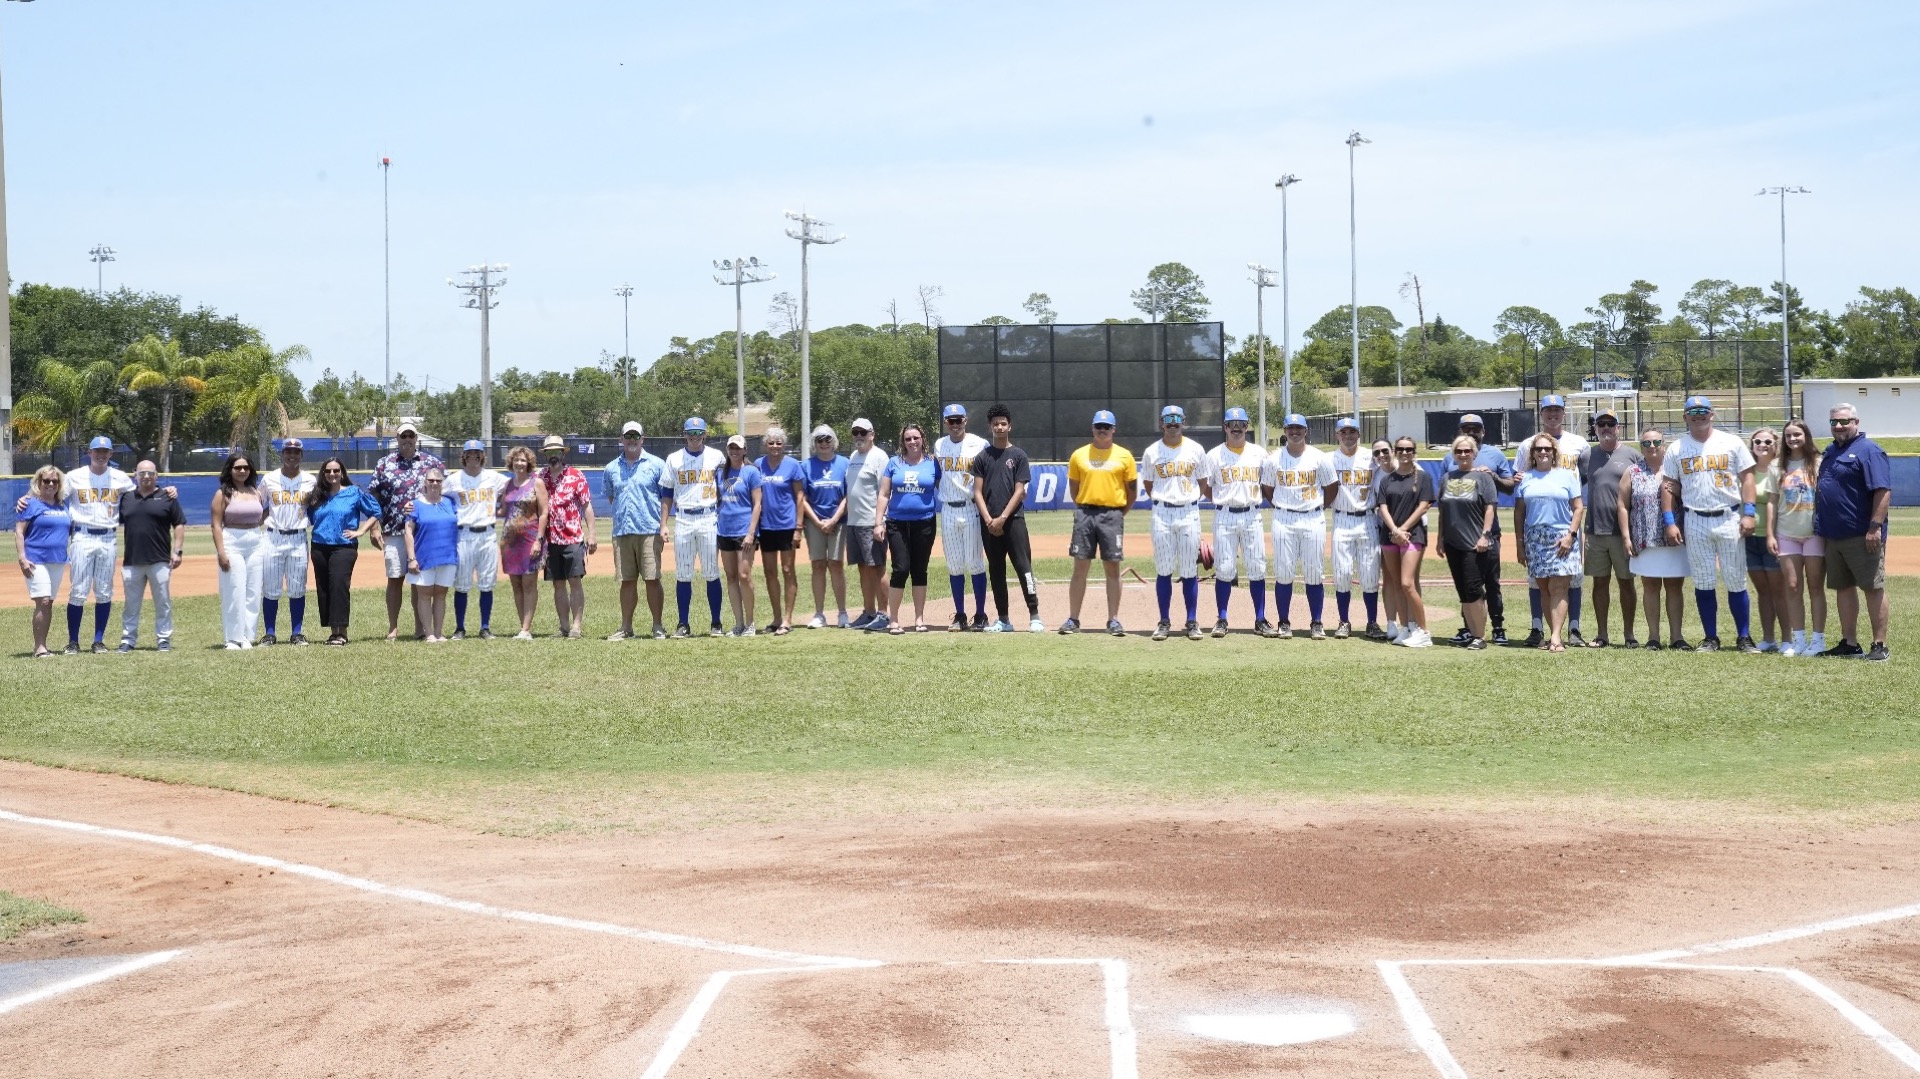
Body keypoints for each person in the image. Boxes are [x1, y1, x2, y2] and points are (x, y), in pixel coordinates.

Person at [1660, 396, 1759, 653]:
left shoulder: (1731, 442)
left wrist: (1749, 512)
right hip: (1694, 518)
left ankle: (1744, 637)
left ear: (1712, 414)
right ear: (1685, 417)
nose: (1698, 415)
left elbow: (1748, 478)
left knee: (1736, 579)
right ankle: (1711, 637)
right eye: (1692, 411)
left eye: (1703, 410)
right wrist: (1670, 521)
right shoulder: (1676, 448)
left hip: (1730, 516)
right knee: (1703, 581)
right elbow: (1669, 486)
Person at [1815, 403, 1891, 660]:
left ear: (1856, 422)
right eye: (1834, 422)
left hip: (1862, 534)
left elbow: (1882, 490)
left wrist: (1874, 527)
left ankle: (1879, 645)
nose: (1839, 426)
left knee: (1872, 587)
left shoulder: (1869, 450)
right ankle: (1849, 642)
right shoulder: (1831, 451)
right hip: (1833, 535)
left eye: (1844, 421)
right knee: (1843, 587)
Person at [1517, 395, 1590, 647]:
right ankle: (1544, 631)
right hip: (1535, 535)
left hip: (1564, 532)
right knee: (1543, 587)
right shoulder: (1526, 460)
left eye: (1557, 409)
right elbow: (1519, 505)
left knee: (1565, 583)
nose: (1552, 414)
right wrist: (1519, 542)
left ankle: (1569, 630)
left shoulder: (1577, 445)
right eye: (1548, 410)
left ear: (1563, 412)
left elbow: (1581, 495)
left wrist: (1572, 533)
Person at [1060, 410, 1137, 636]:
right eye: (1098, 426)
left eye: (1107, 426)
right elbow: (1075, 488)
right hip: (1085, 513)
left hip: (1112, 514)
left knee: (1112, 567)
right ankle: (1073, 619)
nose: (1102, 430)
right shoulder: (1079, 455)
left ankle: (1113, 620)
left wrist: (1118, 512)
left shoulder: (1124, 456)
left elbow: (1131, 492)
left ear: (1114, 429)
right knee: (1079, 567)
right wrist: (1086, 506)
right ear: (1092, 428)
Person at [1262, 412, 1337, 640]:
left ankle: (1316, 622)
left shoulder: (1319, 457)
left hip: (1312, 517)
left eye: (1298, 428)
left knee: (1314, 572)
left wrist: (1319, 506)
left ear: (1306, 431)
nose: (1294, 432)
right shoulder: (1273, 459)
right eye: (1290, 428)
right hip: (1284, 518)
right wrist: (1281, 505)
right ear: (1285, 432)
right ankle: (1284, 622)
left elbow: (1332, 487)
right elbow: (1267, 489)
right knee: (1284, 573)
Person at [970, 404, 1043, 633]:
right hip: (989, 524)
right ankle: (1003, 619)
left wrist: (1002, 517)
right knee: (996, 570)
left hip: (1013, 521)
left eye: (1003, 423)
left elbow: (1020, 490)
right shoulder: (982, 457)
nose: (999, 427)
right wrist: (989, 520)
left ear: (1009, 426)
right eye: (995, 424)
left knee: (1024, 567)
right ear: (990, 427)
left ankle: (1035, 616)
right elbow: (977, 492)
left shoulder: (1018, 455)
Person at [367, 422, 444, 641]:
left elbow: (442, 491)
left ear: (416, 438)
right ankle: (393, 627)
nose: (407, 439)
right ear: (397, 438)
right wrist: (374, 526)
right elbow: (374, 497)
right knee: (395, 578)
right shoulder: (385, 464)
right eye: (403, 436)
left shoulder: (431, 462)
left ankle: (421, 627)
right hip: (394, 529)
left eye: (411, 435)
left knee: (421, 580)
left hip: (424, 532)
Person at [61, 436, 135, 654]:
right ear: (89, 453)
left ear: (111, 454)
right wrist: (28, 498)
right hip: (82, 536)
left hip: (108, 538)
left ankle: (98, 641)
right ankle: (73, 642)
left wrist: (166, 491)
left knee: (104, 591)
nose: (101, 454)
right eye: (97, 451)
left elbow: (140, 496)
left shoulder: (120, 478)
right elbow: (53, 496)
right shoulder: (74, 477)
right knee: (78, 591)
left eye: (106, 451)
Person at [1142, 405, 1209, 642]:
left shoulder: (1196, 449)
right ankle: (1164, 621)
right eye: (1168, 419)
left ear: (1184, 421)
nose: (1172, 423)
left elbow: (1202, 483)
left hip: (1189, 512)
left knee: (1190, 569)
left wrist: (1187, 500)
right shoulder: (1152, 452)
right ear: (1161, 422)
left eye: (1177, 419)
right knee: (1164, 569)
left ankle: (1191, 621)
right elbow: (1149, 485)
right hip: (1162, 513)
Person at [1619, 429, 1690, 650]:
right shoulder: (1632, 471)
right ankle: (1653, 637)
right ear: (1641, 446)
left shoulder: (1675, 469)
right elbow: (1622, 505)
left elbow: (1693, 495)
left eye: (1656, 442)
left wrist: (1681, 490)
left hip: (1673, 538)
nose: (1652, 446)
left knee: (1674, 587)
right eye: (1646, 443)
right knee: (1650, 587)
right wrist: (1626, 536)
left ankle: (1676, 637)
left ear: (1664, 444)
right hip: (1644, 539)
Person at [1204, 406, 1270, 636]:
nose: (1236, 428)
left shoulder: (1259, 453)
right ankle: (1222, 619)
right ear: (1224, 427)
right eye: (1231, 424)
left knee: (1257, 567)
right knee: (1224, 568)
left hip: (1252, 513)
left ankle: (1260, 619)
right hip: (1224, 514)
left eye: (1240, 424)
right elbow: (1206, 486)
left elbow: (1268, 482)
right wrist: (1221, 501)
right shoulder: (1213, 455)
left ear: (1246, 426)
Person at [1579, 410, 1642, 648]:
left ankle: (1629, 634)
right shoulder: (1588, 456)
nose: (1605, 428)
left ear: (1618, 428)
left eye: (1610, 424)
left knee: (1626, 582)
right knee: (1599, 582)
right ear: (1595, 428)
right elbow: (1574, 486)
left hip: (1623, 533)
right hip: (1595, 530)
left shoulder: (1632, 456)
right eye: (1601, 424)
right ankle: (1602, 634)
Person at [306, 457, 383, 646]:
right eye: (328, 471)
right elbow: (309, 516)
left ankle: (342, 633)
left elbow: (376, 511)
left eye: (336, 471)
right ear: (323, 474)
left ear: (342, 473)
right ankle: (333, 633)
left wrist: (362, 531)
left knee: (339, 585)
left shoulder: (353, 492)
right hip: (319, 546)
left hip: (343, 546)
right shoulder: (318, 495)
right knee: (324, 587)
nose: (332, 474)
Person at [661, 417, 727, 637]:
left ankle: (716, 623)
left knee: (711, 571)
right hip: (683, 518)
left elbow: (729, 481)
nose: (695, 437)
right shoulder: (673, 459)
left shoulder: (717, 456)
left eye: (699, 433)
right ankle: (683, 624)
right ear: (684, 434)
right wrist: (663, 524)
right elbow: (667, 494)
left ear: (705, 434)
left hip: (709, 517)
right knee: (683, 573)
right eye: (691, 432)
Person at [602, 422, 668, 640]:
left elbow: (665, 498)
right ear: (621, 438)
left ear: (643, 439)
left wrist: (662, 525)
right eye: (627, 436)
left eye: (635, 436)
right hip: (622, 531)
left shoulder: (656, 465)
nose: (631, 440)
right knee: (627, 580)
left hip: (649, 530)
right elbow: (612, 497)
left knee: (652, 579)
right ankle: (626, 627)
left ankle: (657, 626)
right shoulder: (611, 468)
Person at [874, 422, 941, 634]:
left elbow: (945, 487)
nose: (912, 442)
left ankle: (919, 619)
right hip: (897, 523)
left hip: (925, 522)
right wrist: (878, 522)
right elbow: (884, 494)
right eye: (908, 439)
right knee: (901, 568)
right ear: (902, 442)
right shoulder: (894, 463)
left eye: (916, 438)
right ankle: (893, 620)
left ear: (923, 440)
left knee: (919, 570)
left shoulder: (933, 463)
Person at [1769, 418, 1827, 658]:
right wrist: (1770, 534)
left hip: (1813, 533)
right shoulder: (1777, 466)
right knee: (1792, 587)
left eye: (1797, 435)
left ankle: (1818, 640)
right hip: (1786, 533)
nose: (1793, 439)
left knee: (1815, 587)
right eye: (1789, 435)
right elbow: (1772, 502)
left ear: (1806, 436)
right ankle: (1799, 639)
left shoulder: (1819, 462)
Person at [1456, 414, 1515, 645]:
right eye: (1466, 428)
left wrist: (1493, 477)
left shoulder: (1495, 454)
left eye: (1475, 428)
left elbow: (1510, 487)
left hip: (1489, 529)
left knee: (1491, 581)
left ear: (1484, 431)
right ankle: (1468, 627)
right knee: (1467, 583)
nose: (1471, 432)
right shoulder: (1452, 456)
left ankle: (1498, 627)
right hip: (1461, 531)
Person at [115, 461, 186, 653]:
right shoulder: (127, 498)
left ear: (156, 475)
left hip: (160, 560)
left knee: (162, 602)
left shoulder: (167, 497)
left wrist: (177, 551)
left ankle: (163, 639)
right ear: (135, 475)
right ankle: (128, 639)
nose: (146, 476)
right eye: (142, 473)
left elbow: (179, 524)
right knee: (131, 604)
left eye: (150, 473)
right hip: (132, 561)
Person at [932, 404, 991, 631]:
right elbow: (938, 476)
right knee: (954, 565)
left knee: (975, 564)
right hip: (948, 508)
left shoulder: (979, 444)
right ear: (945, 422)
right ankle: (959, 615)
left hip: (970, 508)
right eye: (951, 421)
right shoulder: (940, 445)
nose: (955, 424)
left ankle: (981, 615)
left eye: (959, 420)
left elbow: (987, 473)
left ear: (965, 420)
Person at [1436, 437, 1498, 650]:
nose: (1463, 455)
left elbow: (1490, 507)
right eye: (1459, 451)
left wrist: (1485, 535)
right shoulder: (1446, 478)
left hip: (1474, 543)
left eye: (1467, 451)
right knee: (1462, 591)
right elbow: (1443, 510)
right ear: (1454, 454)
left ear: (1474, 453)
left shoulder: (1483, 478)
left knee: (1474, 590)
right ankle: (1472, 634)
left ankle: (1480, 636)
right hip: (1452, 542)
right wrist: (1440, 539)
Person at [1374, 437, 1436, 647]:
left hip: (1412, 534)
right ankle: (1405, 628)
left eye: (1409, 449)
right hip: (1389, 535)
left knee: (1407, 583)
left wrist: (1403, 529)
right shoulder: (1387, 480)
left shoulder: (1423, 477)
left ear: (1414, 451)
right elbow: (1382, 507)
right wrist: (1394, 530)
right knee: (1396, 584)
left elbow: (1423, 505)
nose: (1404, 452)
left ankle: (1423, 631)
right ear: (1395, 451)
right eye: (1400, 449)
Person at [444, 440, 508, 640]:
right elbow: (437, 494)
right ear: (463, 456)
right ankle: (460, 628)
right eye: (469, 453)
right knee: (462, 583)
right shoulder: (454, 479)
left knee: (486, 583)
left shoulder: (493, 477)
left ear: (483, 456)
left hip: (488, 534)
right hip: (464, 534)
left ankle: (485, 627)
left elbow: (514, 487)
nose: (473, 456)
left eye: (477, 453)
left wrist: (503, 507)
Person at [1327, 419, 1384, 640]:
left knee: (1370, 575)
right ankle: (1344, 621)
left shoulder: (1371, 457)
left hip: (1367, 519)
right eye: (1344, 432)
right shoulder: (1328, 459)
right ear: (1337, 435)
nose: (1348, 435)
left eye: (1352, 431)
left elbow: (1391, 468)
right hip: (1341, 518)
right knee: (1342, 574)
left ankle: (1372, 622)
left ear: (1359, 434)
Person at [256, 438, 317, 646]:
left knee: (297, 587)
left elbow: (317, 505)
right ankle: (270, 633)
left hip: (298, 537)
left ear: (302, 455)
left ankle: (297, 633)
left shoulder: (311, 480)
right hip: (272, 536)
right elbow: (259, 506)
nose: (292, 455)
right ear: (282, 455)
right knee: (271, 588)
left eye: (296, 452)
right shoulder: (269, 479)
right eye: (288, 452)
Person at [538, 435, 596, 639]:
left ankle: (576, 627)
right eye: (549, 452)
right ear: (545, 455)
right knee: (558, 584)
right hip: (551, 540)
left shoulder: (576, 475)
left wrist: (592, 534)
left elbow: (587, 505)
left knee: (575, 581)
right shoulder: (541, 478)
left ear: (563, 453)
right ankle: (563, 627)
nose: (553, 455)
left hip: (572, 538)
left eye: (557, 451)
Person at [211, 452, 268, 649]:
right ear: (230, 470)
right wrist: (221, 552)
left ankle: (247, 636)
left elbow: (261, 516)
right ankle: (233, 638)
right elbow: (216, 525)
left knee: (253, 591)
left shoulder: (255, 491)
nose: (242, 471)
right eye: (238, 468)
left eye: (246, 467)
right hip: (232, 540)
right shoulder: (223, 493)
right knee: (234, 589)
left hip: (255, 540)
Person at [15, 467, 73, 658]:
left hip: (57, 561)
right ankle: (39, 648)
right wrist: (22, 558)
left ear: (59, 484)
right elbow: (19, 532)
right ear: (38, 482)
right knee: (43, 600)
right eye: (46, 481)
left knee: (49, 603)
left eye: (54, 481)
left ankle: (43, 646)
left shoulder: (63, 505)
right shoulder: (30, 503)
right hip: (35, 560)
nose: (50, 484)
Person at [755, 427, 806, 635]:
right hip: (766, 526)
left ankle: (787, 618)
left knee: (787, 570)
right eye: (771, 443)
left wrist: (798, 528)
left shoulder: (793, 466)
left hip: (786, 526)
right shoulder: (758, 465)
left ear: (783, 445)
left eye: (778, 443)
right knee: (769, 572)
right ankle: (776, 618)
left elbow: (800, 497)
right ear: (766, 444)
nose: (775, 446)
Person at [800, 425, 851, 629]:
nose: (823, 443)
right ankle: (819, 614)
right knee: (818, 565)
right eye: (819, 440)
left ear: (834, 441)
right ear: (814, 443)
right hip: (814, 523)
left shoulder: (844, 464)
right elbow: (802, 498)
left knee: (836, 564)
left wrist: (833, 519)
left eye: (827, 439)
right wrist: (817, 521)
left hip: (838, 521)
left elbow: (848, 496)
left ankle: (842, 613)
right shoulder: (806, 466)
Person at [496, 446, 549, 640]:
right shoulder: (508, 484)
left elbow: (544, 513)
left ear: (529, 463)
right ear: (511, 462)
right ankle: (522, 628)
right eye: (516, 460)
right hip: (510, 542)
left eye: (523, 460)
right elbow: (502, 511)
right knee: (516, 586)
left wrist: (539, 540)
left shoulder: (537, 483)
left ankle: (526, 629)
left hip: (530, 539)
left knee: (528, 585)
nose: (519, 463)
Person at [715, 435, 765, 636]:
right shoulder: (721, 473)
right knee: (731, 577)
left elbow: (757, 504)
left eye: (738, 448)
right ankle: (738, 624)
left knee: (744, 575)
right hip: (724, 530)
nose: (734, 451)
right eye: (731, 448)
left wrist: (751, 533)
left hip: (744, 531)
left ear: (745, 450)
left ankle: (750, 623)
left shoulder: (751, 472)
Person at [843, 419, 890, 629]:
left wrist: (881, 522)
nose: (859, 436)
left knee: (878, 567)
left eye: (863, 432)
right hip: (854, 522)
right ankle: (869, 612)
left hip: (872, 523)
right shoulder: (853, 457)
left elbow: (885, 491)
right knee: (863, 568)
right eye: (855, 433)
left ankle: (883, 614)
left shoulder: (879, 457)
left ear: (872, 434)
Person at [405, 468, 459, 642]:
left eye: (438, 480)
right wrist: (412, 558)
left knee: (441, 594)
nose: (434, 483)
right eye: (431, 480)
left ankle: (439, 632)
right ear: (425, 483)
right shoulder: (415, 505)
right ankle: (428, 633)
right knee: (425, 594)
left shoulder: (451, 502)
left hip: (447, 555)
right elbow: (408, 532)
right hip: (424, 557)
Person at [1744, 428, 1785, 652]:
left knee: (1779, 590)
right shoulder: (1746, 471)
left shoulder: (1780, 470)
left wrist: (1774, 534)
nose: (1762, 444)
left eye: (1768, 441)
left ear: (1775, 445)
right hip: (1750, 538)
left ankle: (1788, 639)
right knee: (1763, 591)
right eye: (1757, 441)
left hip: (1775, 538)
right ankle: (1768, 638)